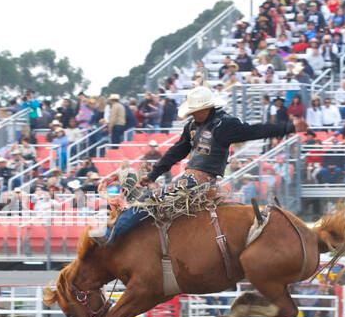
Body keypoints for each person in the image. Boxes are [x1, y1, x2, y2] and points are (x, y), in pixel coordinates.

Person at [88, 86, 292, 245]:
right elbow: (177, 150)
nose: (192, 114)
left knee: (147, 201)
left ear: (206, 108)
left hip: (198, 184)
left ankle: (110, 235)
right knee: (148, 198)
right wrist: (154, 174)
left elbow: (255, 131)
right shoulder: (193, 126)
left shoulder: (225, 125)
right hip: (189, 181)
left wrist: (288, 127)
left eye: (195, 110)